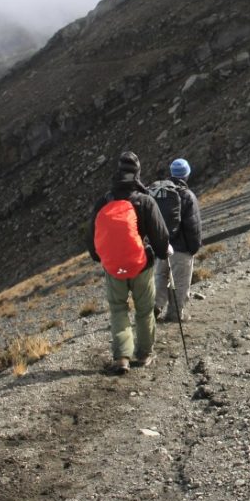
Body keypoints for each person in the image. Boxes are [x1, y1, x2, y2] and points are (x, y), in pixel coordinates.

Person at [87, 151, 170, 374]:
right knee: (144, 310)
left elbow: (92, 238)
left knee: (118, 310)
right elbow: (159, 235)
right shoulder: (144, 200)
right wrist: (162, 252)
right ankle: (143, 355)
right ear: (137, 173)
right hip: (141, 264)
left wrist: (102, 259)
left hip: (113, 267)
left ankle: (122, 357)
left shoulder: (104, 201)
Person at [153, 157, 202, 323]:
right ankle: (175, 315)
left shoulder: (161, 193)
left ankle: (154, 307)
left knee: (160, 276)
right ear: (186, 175)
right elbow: (193, 226)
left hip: (162, 246)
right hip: (181, 249)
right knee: (180, 283)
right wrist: (193, 248)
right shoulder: (187, 196)